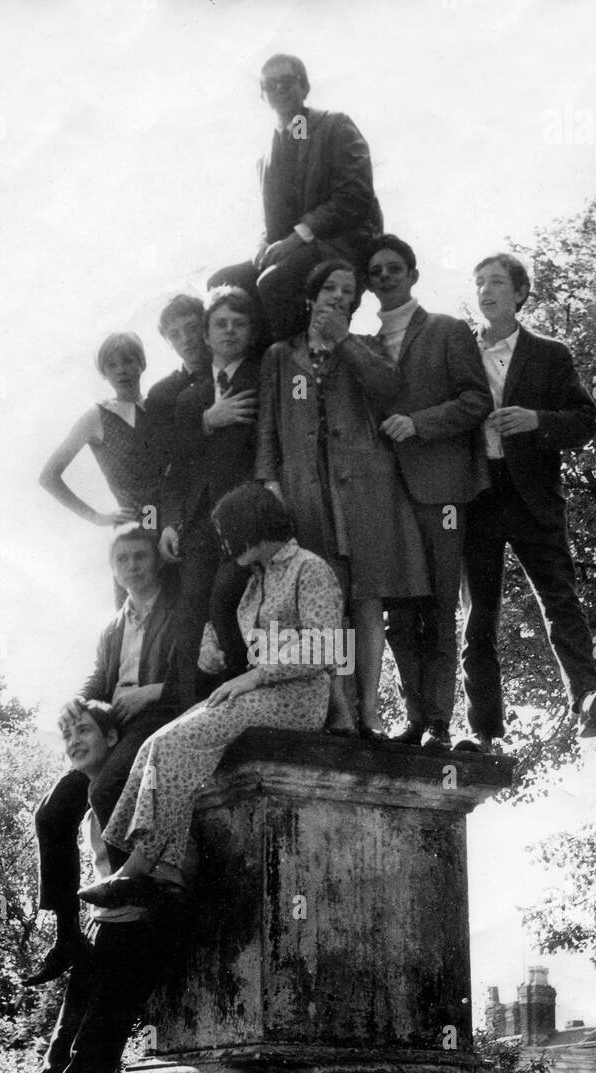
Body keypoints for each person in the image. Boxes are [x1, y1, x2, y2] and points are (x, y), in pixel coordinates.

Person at [83, 484, 344, 910]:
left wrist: (255, 677)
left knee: (176, 741)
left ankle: (139, 868)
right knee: (155, 742)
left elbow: (325, 647)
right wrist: (211, 651)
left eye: (226, 532)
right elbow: (232, 634)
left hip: (297, 697)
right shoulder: (257, 577)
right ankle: (161, 867)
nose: (222, 543)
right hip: (259, 691)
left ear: (249, 528)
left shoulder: (308, 569)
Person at [0, 700, 178, 1073]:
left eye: (85, 731)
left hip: (138, 929)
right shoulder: (93, 803)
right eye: (67, 736)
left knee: (90, 1058)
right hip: (102, 928)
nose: (73, 742)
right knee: (56, 1057)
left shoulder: (132, 787)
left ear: (114, 740)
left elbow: (161, 857)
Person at [255, 259, 428, 736]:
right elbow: (268, 427)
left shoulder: (366, 347)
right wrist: (270, 484)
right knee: (322, 600)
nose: (337, 296)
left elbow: (390, 389)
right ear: (311, 297)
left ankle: (370, 709)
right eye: (328, 287)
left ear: (355, 302)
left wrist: (344, 341)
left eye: (347, 291)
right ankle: (338, 708)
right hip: (304, 491)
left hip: (365, 491)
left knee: (368, 597)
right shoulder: (279, 355)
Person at [458, 253, 596, 753]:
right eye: (479, 281)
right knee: (478, 615)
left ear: (521, 294)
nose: (486, 290)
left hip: (533, 496)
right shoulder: (459, 350)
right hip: (478, 494)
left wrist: (537, 420)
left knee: (560, 601)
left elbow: (585, 421)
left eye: (498, 282)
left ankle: (588, 699)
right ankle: (484, 732)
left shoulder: (550, 354)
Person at [26, 525, 178, 986]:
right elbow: (97, 682)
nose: (131, 566)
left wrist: (149, 694)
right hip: (115, 722)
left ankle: (128, 899)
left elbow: (198, 679)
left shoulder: (178, 612)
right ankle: (67, 934)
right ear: (114, 569)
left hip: (158, 715)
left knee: (107, 785)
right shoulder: (114, 625)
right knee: (51, 814)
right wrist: (77, 701)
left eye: (139, 557)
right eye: (122, 560)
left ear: (156, 561)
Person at [364, 234, 493, 750]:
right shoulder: (365, 346)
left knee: (440, 608)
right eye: (376, 272)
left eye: (395, 268)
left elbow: (476, 400)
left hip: (442, 494)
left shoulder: (447, 330)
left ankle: (439, 723)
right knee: (399, 614)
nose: (386, 277)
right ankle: (414, 719)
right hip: (387, 498)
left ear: (413, 275)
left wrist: (418, 424)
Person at [209, 54, 383, 342]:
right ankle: (253, 372)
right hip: (296, 250)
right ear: (262, 95)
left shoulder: (335, 127)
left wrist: (297, 237)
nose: (279, 89)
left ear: (305, 87)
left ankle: (295, 365)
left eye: (287, 81)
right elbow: (276, 217)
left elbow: (354, 196)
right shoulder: (267, 153)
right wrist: (264, 243)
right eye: (270, 84)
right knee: (222, 284)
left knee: (274, 282)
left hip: (340, 245)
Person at [158, 287, 260, 713]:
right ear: (207, 333)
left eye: (238, 323)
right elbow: (172, 465)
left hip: (246, 516)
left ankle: (239, 708)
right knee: (190, 613)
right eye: (221, 324)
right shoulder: (185, 398)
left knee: (229, 605)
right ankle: (186, 713)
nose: (229, 331)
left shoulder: (262, 375)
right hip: (200, 523)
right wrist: (166, 521)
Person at [39, 332, 162, 604]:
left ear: (142, 364)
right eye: (112, 364)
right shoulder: (96, 417)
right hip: (132, 530)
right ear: (103, 372)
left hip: (170, 523)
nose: (122, 370)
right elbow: (49, 477)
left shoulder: (159, 406)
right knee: (137, 613)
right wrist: (95, 517)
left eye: (129, 361)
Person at [141, 294, 211, 531]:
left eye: (192, 328)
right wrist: (206, 422)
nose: (186, 340)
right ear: (166, 339)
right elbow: (166, 458)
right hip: (194, 513)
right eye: (174, 334)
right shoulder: (161, 395)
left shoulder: (236, 369)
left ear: (206, 324)